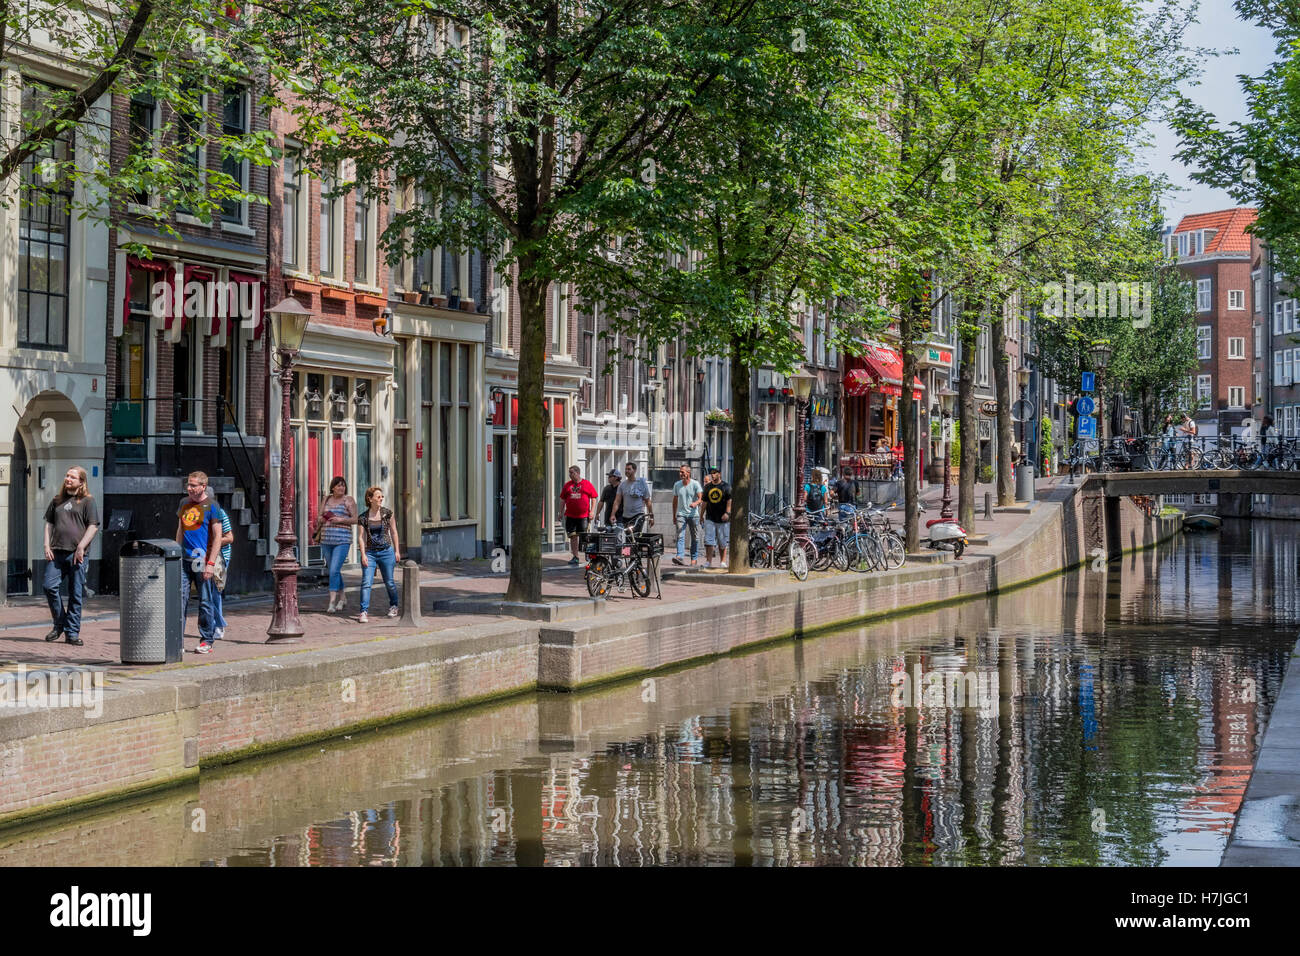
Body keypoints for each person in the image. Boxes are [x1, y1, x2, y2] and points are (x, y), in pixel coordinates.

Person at [42, 466, 99, 647]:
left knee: (75, 594)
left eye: (72, 477)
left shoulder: (88, 501)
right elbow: (49, 524)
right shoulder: (57, 500)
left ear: (81, 482)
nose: (68, 479)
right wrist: (46, 545)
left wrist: (81, 546)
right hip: (57, 552)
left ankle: (72, 633)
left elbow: (93, 526)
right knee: (49, 586)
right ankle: (60, 624)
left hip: (77, 555)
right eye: (67, 475)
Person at [175, 471, 224, 653]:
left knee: (205, 600)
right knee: (180, 599)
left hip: (202, 559)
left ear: (203, 486)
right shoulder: (183, 503)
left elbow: (218, 536)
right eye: (188, 484)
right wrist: (175, 553)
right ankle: (176, 640)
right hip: (184, 559)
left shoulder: (212, 506)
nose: (189, 488)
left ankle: (207, 640)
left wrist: (211, 563)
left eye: (193, 485)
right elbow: (180, 530)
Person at [357, 486, 401, 623]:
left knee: (389, 582)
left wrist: (397, 551)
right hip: (370, 552)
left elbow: (394, 532)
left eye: (382, 496)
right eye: (378, 496)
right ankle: (363, 611)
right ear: (370, 499)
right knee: (366, 583)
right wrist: (363, 554)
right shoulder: (363, 517)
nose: (381, 498)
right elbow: (361, 537)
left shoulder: (387, 513)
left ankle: (394, 606)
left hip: (386, 551)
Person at [313, 476, 358, 613]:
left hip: (342, 541)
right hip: (326, 540)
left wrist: (340, 519)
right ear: (332, 487)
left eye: (343, 485)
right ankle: (343, 598)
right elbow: (319, 518)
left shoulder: (348, 500)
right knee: (335, 571)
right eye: (338, 485)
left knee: (333, 570)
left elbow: (356, 519)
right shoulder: (326, 499)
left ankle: (331, 602)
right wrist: (323, 518)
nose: (341, 488)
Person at [559, 465, 599, 564]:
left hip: (583, 516)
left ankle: (588, 555)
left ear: (577, 473)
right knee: (572, 536)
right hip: (570, 515)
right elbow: (562, 499)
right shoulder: (567, 485)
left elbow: (594, 497)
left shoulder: (587, 484)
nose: (570, 475)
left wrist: (592, 511)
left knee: (584, 536)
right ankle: (575, 556)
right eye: (569, 473)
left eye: (572, 472)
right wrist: (560, 512)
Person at [671, 464, 703, 566]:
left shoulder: (695, 484)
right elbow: (675, 501)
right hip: (681, 514)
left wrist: (695, 503)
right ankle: (679, 556)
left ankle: (694, 558)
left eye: (682, 472)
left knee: (695, 538)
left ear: (688, 473)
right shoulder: (677, 484)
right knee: (680, 536)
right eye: (680, 472)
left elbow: (701, 498)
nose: (680, 474)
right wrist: (674, 515)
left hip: (693, 515)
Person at [701, 465, 732, 569]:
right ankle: (708, 561)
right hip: (710, 517)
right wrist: (701, 515)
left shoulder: (726, 486)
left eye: (715, 473)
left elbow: (729, 501)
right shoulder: (707, 487)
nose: (713, 475)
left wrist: (727, 513)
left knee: (722, 541)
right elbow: (704, 502)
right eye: (711, 473)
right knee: (709, 540)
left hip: (722, 519)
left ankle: (723, 561)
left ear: (720, 474)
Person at [613, 461, 653, 531]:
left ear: (634, 470)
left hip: (638, 515)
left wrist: (651, 516)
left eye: (629, 469)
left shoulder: (641, 483)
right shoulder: (622, 485)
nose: (626, 471)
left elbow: (648, 501)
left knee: (634, 534)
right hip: (626, 516)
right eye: (626, 469)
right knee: (628, 537)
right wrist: (612, 514)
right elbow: (617, 501)